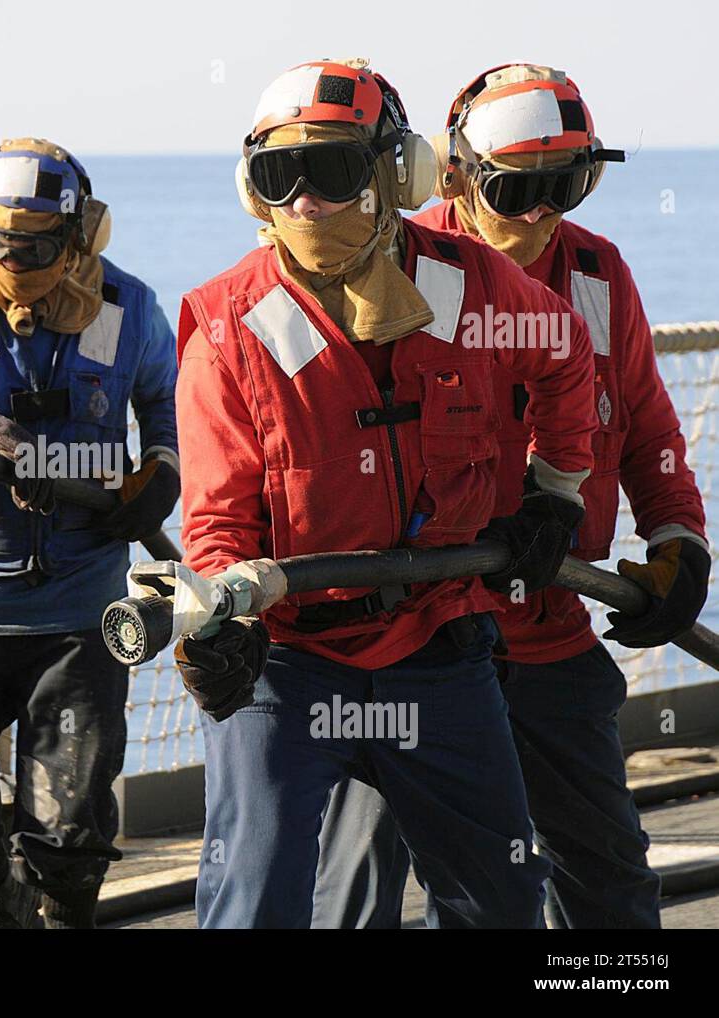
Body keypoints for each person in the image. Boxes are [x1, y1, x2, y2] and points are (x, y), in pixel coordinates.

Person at [173, 60, 599, 928]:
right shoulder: (226, 327)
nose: (304, 202)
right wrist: (218, 626)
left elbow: (563, 356)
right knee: (253, 901)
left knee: (502, 898)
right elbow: (216, 521)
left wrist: (554, 492)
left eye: (330, 172)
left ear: (392, 174)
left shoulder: (475, 284)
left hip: (439, 640)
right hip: (287, 660)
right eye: (275, 177)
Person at [314, 65, 708, 930]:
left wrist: (681, 540)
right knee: (354, 890)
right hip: (410, 637)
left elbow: (645, 425)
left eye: (564, 187)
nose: (539, 214)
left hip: (549, 628)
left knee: (606, 880)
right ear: (453, 173)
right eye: (517, 188)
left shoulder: (600, 278)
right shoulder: (391, 278)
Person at [0, 139, 179, 928]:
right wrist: (1, 443)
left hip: (78, 608)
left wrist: (161, 472)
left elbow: (164, 405)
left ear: (83, 233)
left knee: (74, 813)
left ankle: (61, 911)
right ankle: (1, 899)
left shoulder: (131, 310)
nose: (15, 260)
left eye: (39, 246)